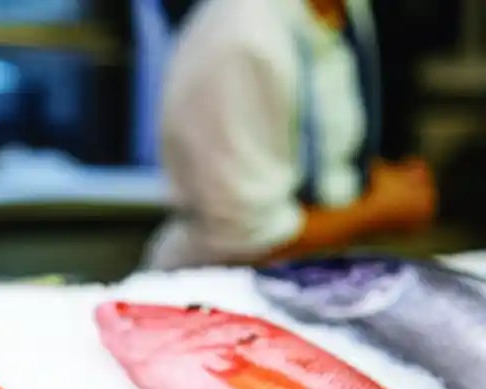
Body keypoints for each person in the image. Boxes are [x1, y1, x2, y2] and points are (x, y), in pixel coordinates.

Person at [143, 0, 437, 271]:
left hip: (317, 275)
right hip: (217, 286)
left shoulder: (347, 11)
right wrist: (379, 211)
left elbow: (320, 151)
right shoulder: (242, 35)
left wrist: (372, 179)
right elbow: (248, 239)